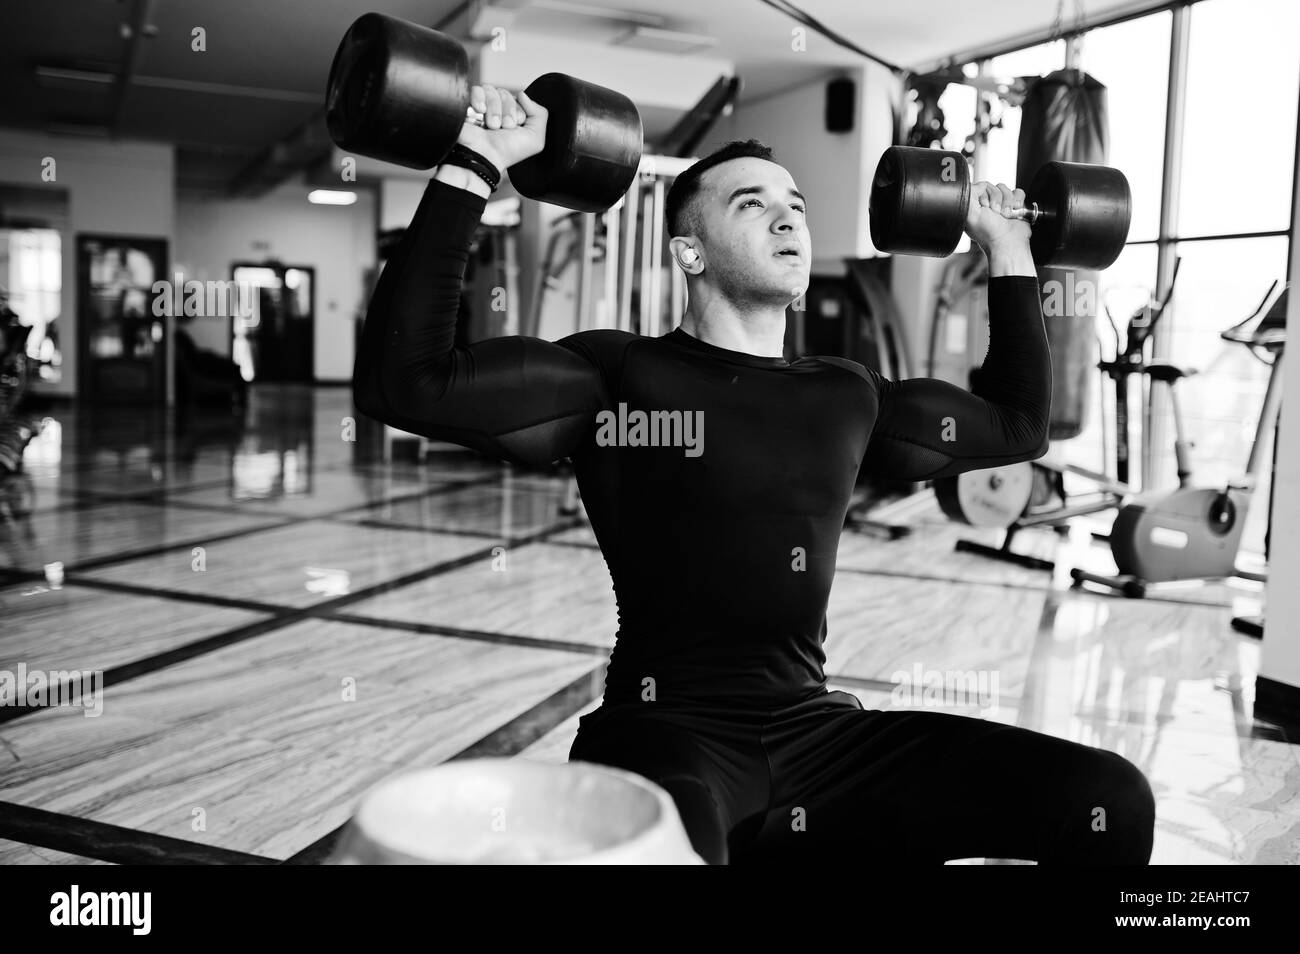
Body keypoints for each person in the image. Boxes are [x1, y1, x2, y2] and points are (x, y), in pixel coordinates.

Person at [353, 85, 1156, 865]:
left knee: (1108, 802)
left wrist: (1009, 251)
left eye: (796, 204)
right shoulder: (619, 376)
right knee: (672, 847)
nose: (788, 217)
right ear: (689, 251)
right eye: (751, 204)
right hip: (666, 732)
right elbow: (408, 382)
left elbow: (1020, 425)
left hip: (820, 736)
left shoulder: (847, 392)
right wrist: (477, 158)